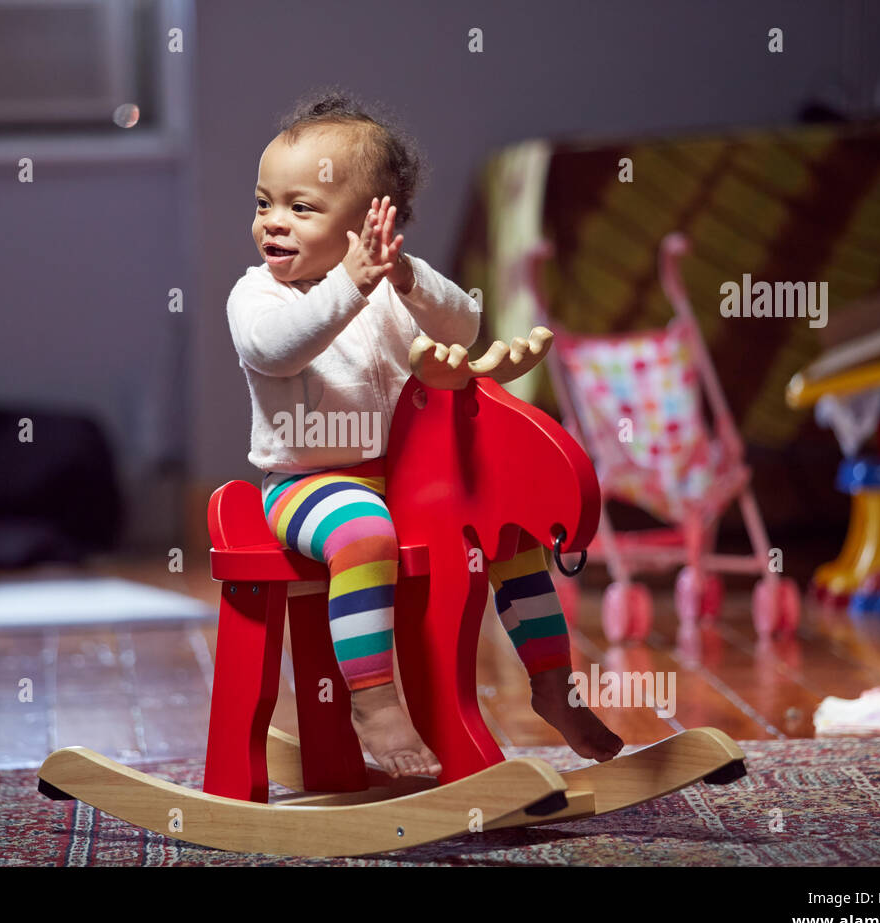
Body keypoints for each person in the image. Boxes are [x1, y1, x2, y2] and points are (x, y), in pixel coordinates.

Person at [226, 90, 623, 778]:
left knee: (512, 539)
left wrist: (402, 277)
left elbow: (463, 325)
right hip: (306, 487)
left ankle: (554, 686)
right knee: (364, 533)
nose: (274, 224)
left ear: (366, 225)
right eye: (265, 203)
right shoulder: (259, 295)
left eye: (302, 207)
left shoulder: (389, 287)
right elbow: (277, 349)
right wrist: (348, 285)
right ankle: (375, 701)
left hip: (411, 479)